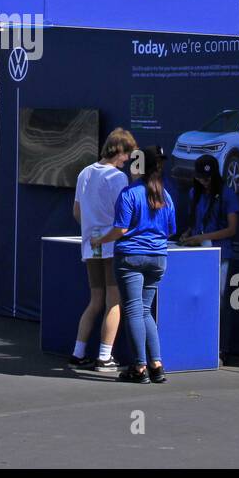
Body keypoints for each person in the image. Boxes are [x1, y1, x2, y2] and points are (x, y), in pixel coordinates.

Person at [105, 145, 176, 383]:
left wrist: (99, 239)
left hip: (131, 257)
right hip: (158, 258)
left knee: (135, 311)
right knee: (145, 311)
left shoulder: (129, 193)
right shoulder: (165, 196)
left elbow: (121, 229)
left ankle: (139, 367)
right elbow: (171, 230)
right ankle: (156, 365)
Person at [68, 128, 138, 371]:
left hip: (91, 244)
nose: (128, 160)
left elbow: (77, 212)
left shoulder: (84, 173)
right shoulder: (118, 178)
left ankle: (78, 353)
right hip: (110, 245)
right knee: (114, 302)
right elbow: (124, 217)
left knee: (96, 299)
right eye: (127, 154)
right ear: (119, 150)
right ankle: (104, 357)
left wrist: (92, 231)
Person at [178, 154, 239, 361]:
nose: (203, 182)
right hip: (197, 253)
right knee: (196, 298)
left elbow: (231, 229)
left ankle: (220, 348)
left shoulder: (227, 194)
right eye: (200, 178)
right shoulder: (193, 193)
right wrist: (188, 234)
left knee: (218, 300)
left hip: (219, 254)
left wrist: (202, 237)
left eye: (207, 178)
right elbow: (195, 223)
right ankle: (195, 343)